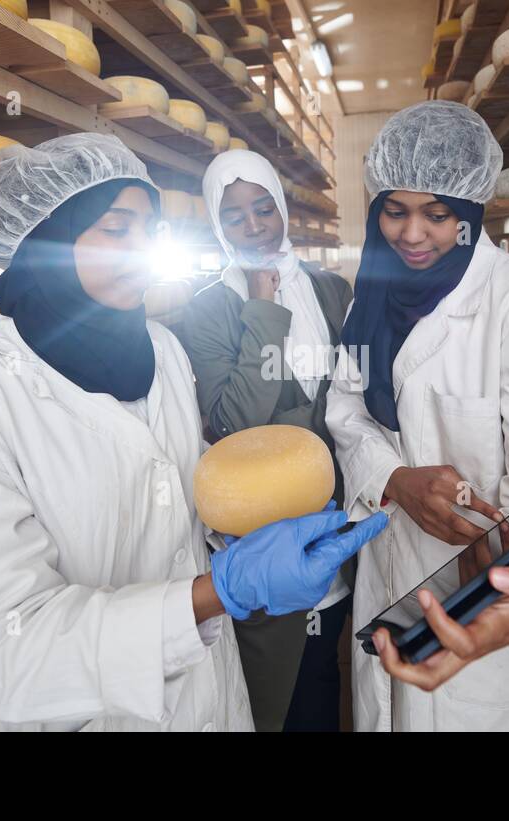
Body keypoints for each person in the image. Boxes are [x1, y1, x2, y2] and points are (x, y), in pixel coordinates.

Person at [0, 134, 386, 732]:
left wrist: (243, 539)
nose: (141, 249)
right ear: (47, 239)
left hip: (213, 696)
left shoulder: (160, 351)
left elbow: (182, 498)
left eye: (149, 230)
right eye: (116, 229)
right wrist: (219, 594)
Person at [325, 101, 509, 732]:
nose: (412, 234)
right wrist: (394, 480)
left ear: (469, 211)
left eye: (438, 214)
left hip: (482, 591)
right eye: (395, 211)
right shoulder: (368, 294)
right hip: (388, 564)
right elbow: (347, 406)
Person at [182, 149, 354, 732]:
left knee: (324, 670)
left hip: (334, 517)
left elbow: (350, 402)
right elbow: (235, 422)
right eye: (234, 218)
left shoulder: (330, 290)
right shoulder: (209, 310)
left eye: (264, 209)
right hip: (262, 532)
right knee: (277, 686)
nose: (254, 227)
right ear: (216, 223)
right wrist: (262, 305)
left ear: (282, 208)